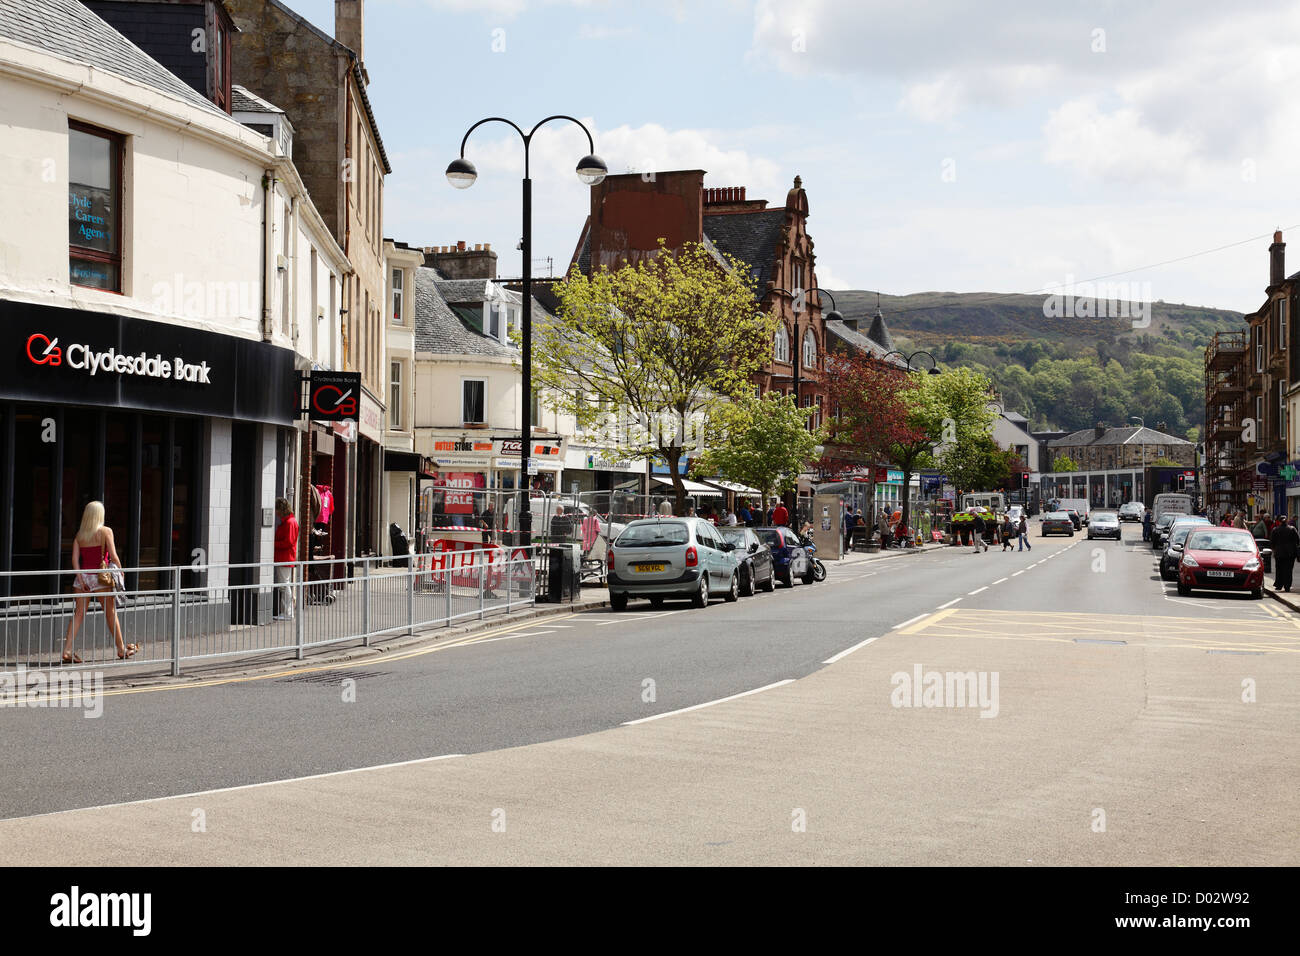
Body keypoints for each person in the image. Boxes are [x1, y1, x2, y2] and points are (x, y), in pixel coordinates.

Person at [60, 500, 136, 662]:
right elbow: (114, 556)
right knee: (110, 612)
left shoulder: (80, 535)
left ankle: (66, 651)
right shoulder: (105, 531)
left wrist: (80, 579)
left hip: (83, 578)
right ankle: (121, 649)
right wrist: (121, 573)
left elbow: (75, 560)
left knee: (78, 614)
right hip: (101, 577)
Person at [273, 497, 299, 622]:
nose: (276, 512)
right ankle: (287, 612)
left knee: (285, 585)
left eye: (277, 509)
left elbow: (288, 542)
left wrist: (273, 544)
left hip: (285, 557)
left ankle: (287, 612)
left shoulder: (289, 522)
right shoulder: (289, 522)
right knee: (285, 585)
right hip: (284, 557)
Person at [1270, 517, 1299, 591]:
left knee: (1279, 569)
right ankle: (1287, 586)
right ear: (1287, 521)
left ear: (1279, 522)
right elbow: (1298, 540)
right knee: (1288, 570)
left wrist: (1274, 549)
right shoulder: (1292, 529)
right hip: (1290, 553)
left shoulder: (1275, 530)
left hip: (1279, 553)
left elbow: (1272, 542)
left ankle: (1279, 585)